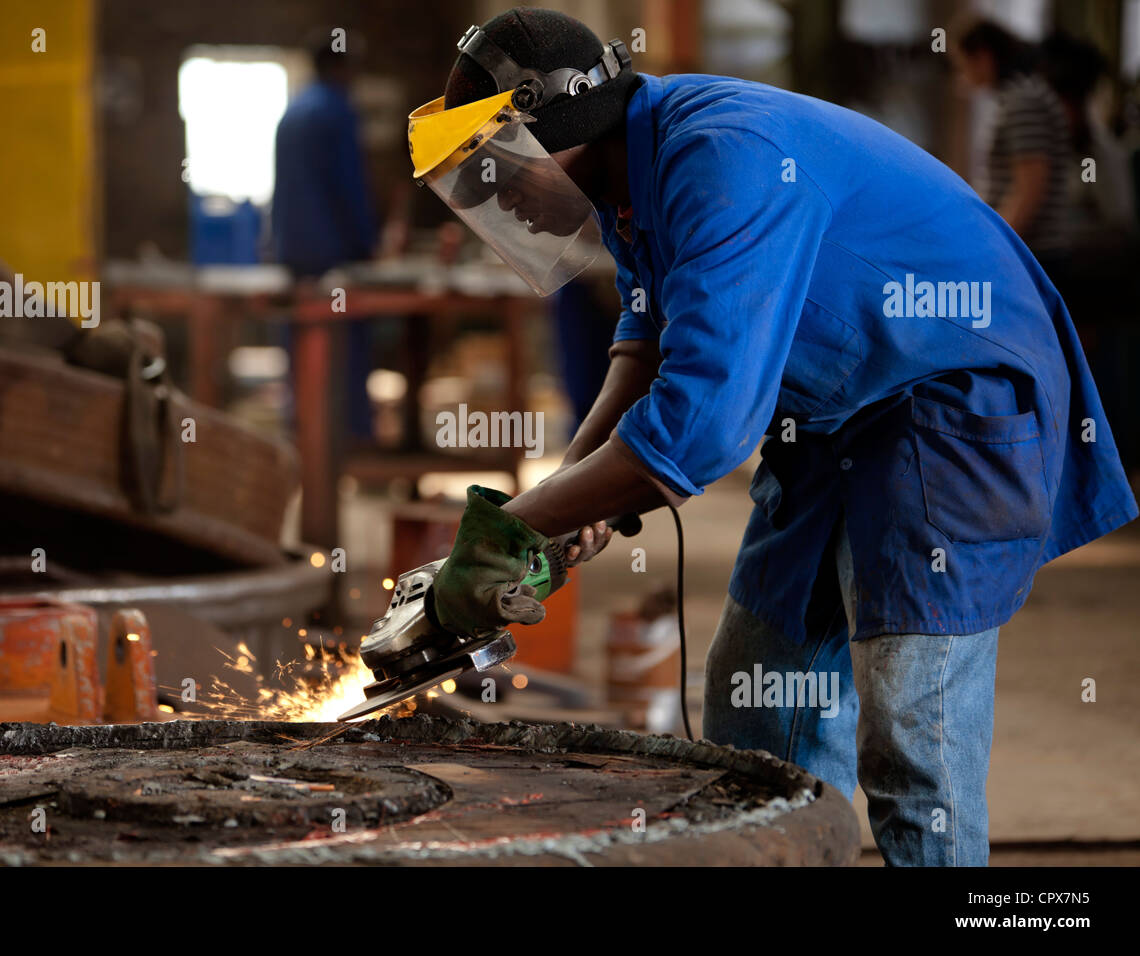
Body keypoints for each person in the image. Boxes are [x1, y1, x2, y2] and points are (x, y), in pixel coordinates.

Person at [408, 8, 1137, 866]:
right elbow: (646, 350)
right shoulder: (624, 172)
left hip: (952, 399)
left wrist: (516, 524)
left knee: (910, 732)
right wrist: (564, 507)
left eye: (496, 166)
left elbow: (703, 426)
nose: (496, 194)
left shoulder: (719, 158)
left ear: (555, 121)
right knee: (758, 708)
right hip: (839, 412)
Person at [270, 34, 377, 440]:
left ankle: (302, 433)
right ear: (342, 68)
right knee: (344, 351)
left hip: (294, 253)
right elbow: (348, 186)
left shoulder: (294, 110)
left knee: (299, 344)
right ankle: (348, 440)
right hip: (332, 255)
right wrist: (367, 244)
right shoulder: (336, 111)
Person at [956, 19, 1072, 270]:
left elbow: (1030, 186)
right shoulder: (1016, 95)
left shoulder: (1023, 100)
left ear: (984, 58)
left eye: (963, 63)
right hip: (1027, 251)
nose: (962, 73)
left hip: (1032, 254)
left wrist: (995, 248)